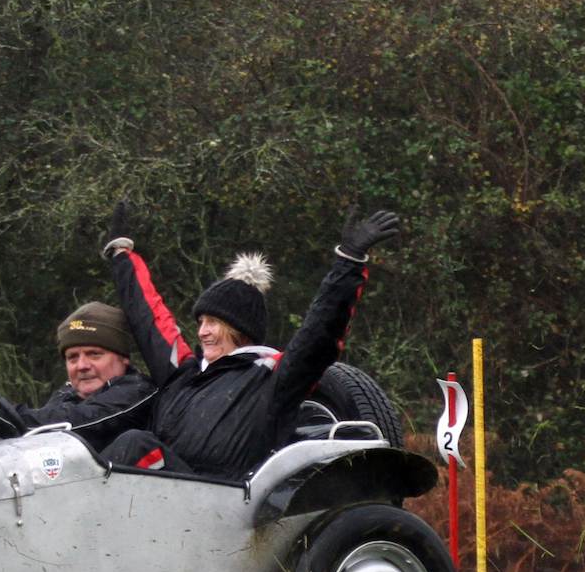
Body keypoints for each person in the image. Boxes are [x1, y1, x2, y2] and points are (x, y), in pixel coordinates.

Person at [100, 201, 400, 476]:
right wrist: (121, 254)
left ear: (240, 330)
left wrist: (349, 261)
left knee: (135, 445)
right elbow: (148, 319)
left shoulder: (272, 378)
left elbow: (320, 332)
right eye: (201, 321)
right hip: (155, 503)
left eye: (213, 322)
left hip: (224, 506)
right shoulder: (184, 374)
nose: (202, 331)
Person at [0, 302, 156, 452]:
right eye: (72, 358)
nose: (82, 366)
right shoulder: (65, 396)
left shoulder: (137, 391)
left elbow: (75, 424)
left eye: (94, 354)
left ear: (123, 358)